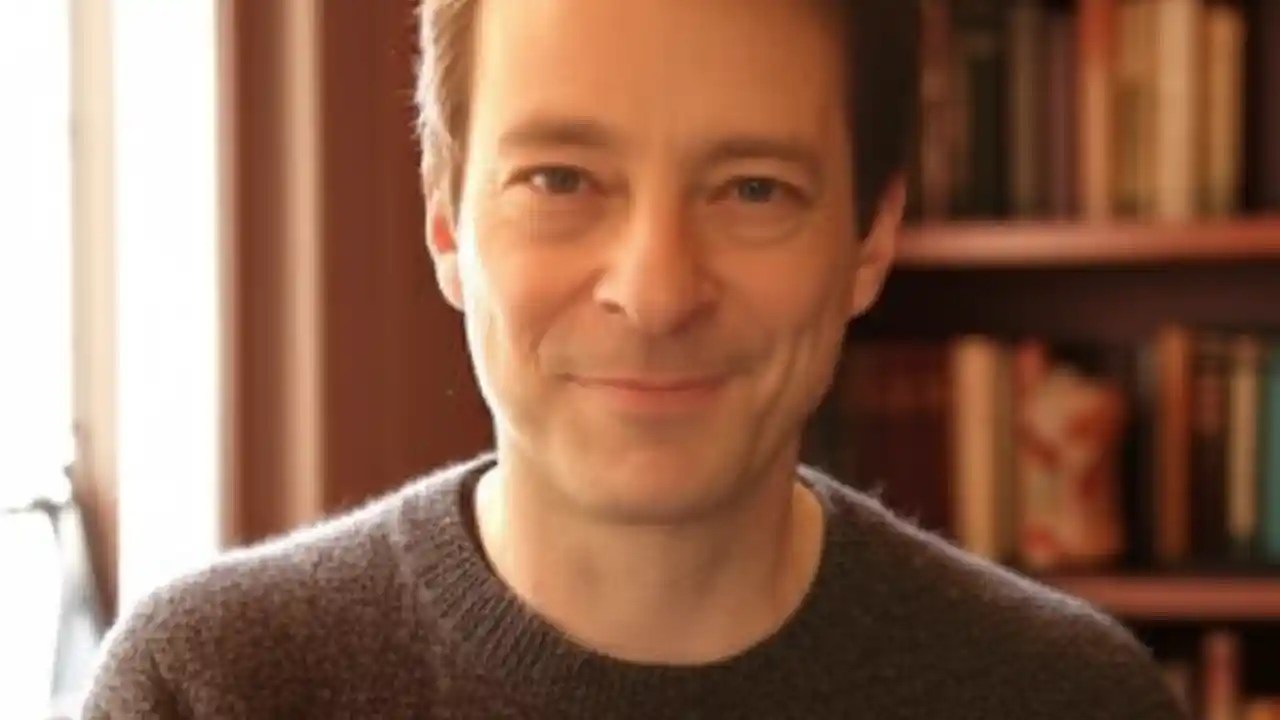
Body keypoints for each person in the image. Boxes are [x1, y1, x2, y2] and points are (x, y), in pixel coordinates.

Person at [84, 1, 1189, 717]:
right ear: (445, 226)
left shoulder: (1063, 702)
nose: (656, 292)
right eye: (560, 178)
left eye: (752, 189)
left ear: (868, 240)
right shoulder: (218, 689)